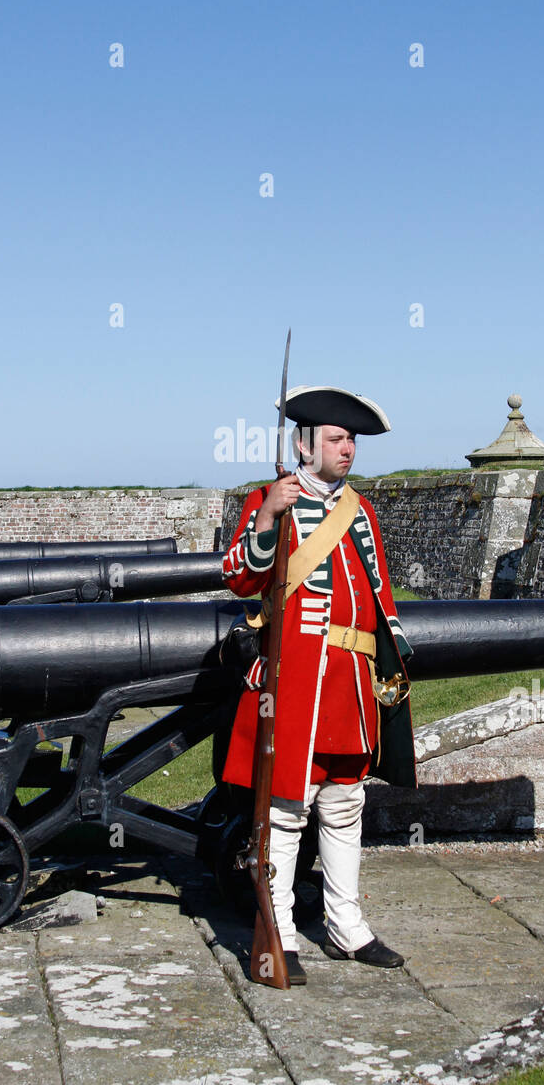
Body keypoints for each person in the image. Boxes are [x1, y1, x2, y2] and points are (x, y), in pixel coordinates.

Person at [220, 385, 416, 984]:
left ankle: (345, 926)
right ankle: (277, 932)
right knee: (285, 811)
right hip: (297, 680)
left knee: (344, 803)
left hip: (351, 685)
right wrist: (268, 515)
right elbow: (237, 578)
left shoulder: (360, 510)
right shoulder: (270, 498)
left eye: (351, 439)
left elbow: (381, 596)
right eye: (337, 438)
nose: (348, 449)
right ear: (306, 444)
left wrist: (396, 655)